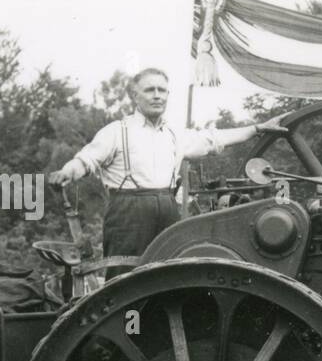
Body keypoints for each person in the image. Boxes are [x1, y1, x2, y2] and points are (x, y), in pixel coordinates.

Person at [49, 68, 286, 278]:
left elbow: (215, 139)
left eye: (162, 90)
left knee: (167, 276)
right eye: (150, 90)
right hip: (128, 213)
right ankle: (128, 329)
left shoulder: (174, 134)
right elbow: (86, 160)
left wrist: (256, 128)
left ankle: (157, 328)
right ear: (135, 96)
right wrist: (67, 172)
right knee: (125, 279)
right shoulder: (116, 131)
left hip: (167, 209)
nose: (157, 95)